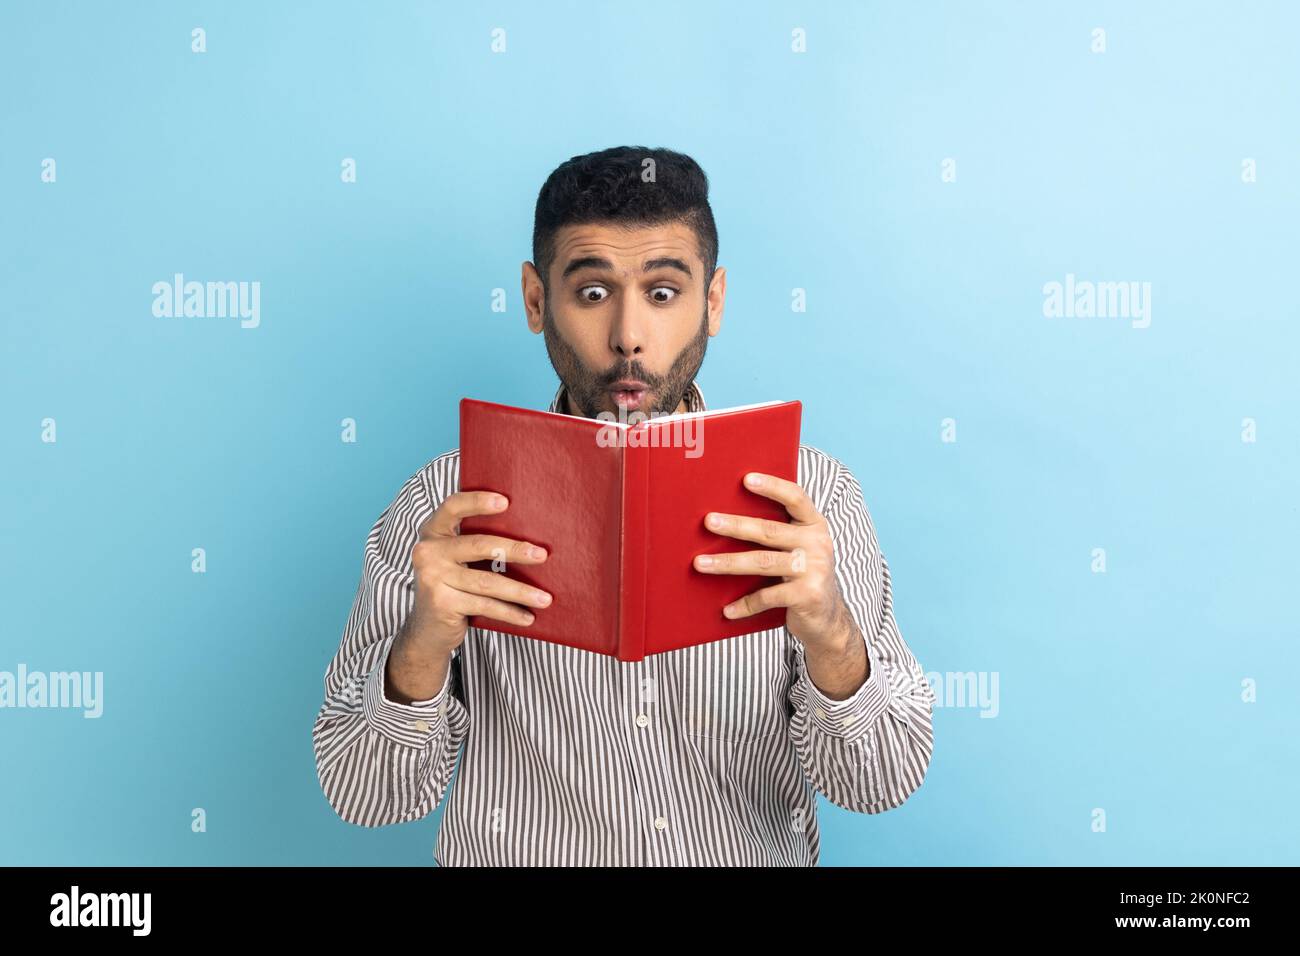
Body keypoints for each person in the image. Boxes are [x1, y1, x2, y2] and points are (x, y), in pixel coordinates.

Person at [311, 146, 936, 865]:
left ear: (715, 301)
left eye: (664, 292)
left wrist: (832, 637)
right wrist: (420, 649)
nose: (629, 337)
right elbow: (365, 797)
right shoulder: (444, 506)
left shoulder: (813, 498)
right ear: (536, 299)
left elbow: (883, 782)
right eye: (592, 292)